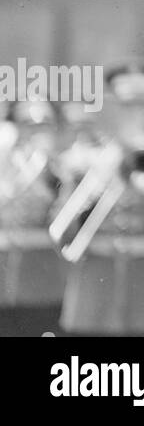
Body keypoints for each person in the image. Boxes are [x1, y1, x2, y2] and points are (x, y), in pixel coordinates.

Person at [58, 64, 144, 337]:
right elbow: (61, 227)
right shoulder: (87, 159)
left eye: (142, 105)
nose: (135, 114)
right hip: (97, 278)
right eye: (127, 106)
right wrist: (97, 185)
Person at [0, 100, 67, 336]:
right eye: (27, 123)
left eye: (44, 123)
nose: (36, 130)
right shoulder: (4, 160)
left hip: (41, 271)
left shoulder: (61, 164)